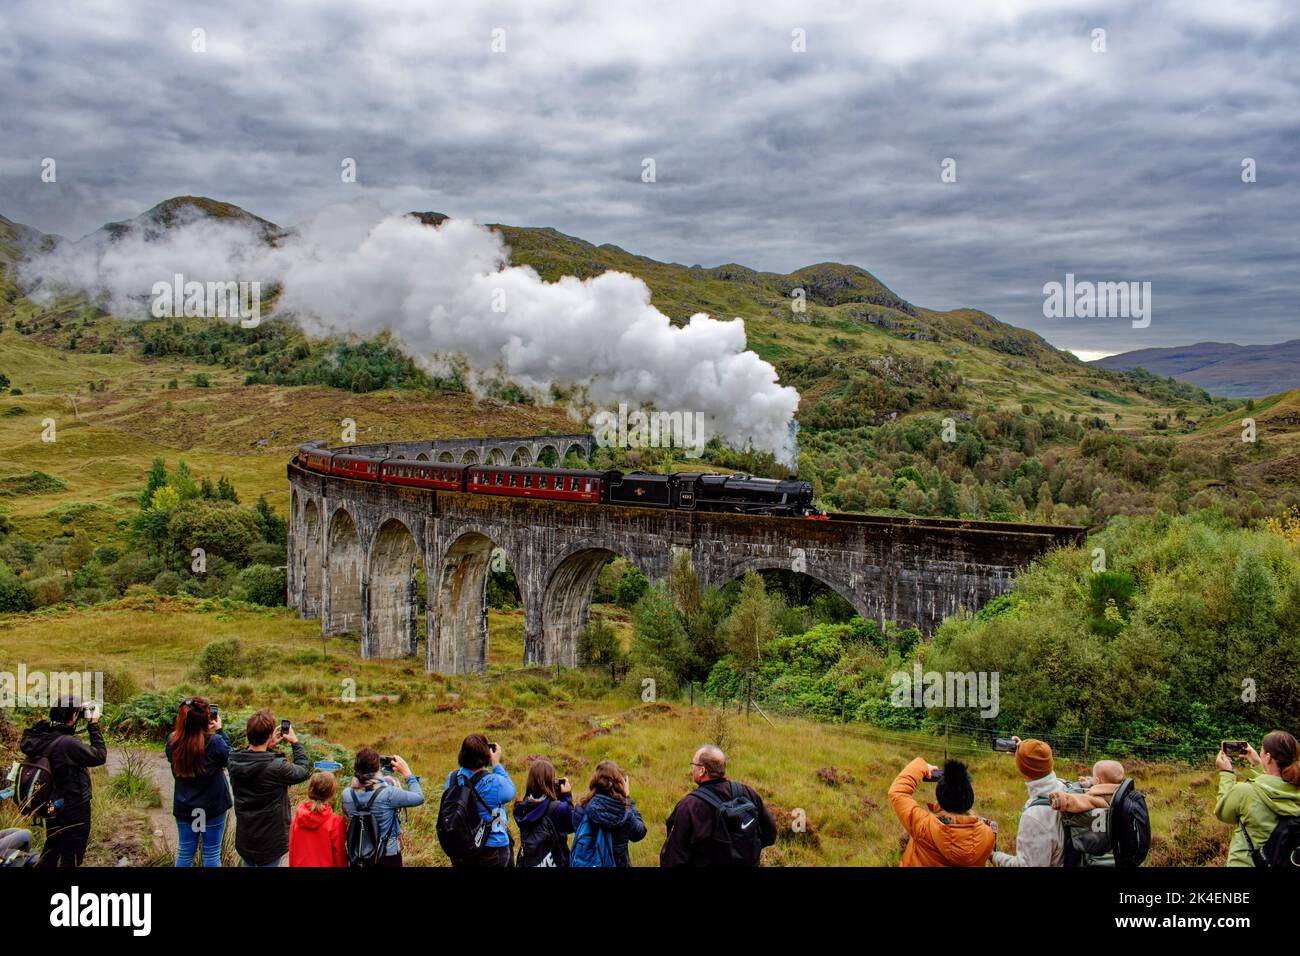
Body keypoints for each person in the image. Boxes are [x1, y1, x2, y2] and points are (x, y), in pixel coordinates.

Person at [20, 696, 107, 867]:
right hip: (74, 806)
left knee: (52, 848)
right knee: (72, 857)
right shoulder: (67, 743)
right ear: (74, 716)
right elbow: (99, 756)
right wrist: (93, 725)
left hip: (52, 804)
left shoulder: (42, 736)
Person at [661, 745, 776, 867]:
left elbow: (673, 859)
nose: (692, 768)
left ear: (702, 771)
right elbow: (770, 833)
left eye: (693, 764)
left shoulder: (688, 807)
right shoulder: (747, 792)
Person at [228, 710, 311, 867]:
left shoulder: (233, 761)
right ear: (269, 736)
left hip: (246, 838)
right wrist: (295, 742)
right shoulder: (276, 767)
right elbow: (303, 771)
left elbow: (251, 757)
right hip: (270, 841)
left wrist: (266, 746)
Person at [888, 757, 996, 867]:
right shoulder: (988, 835)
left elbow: (898, 793)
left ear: (940, 799)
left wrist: (922, 766)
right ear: (970, 799)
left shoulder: (924, 827)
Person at [1214, 730, 1300, 867]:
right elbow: (1276, 784)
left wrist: (1226, 773)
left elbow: (1223, 813)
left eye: (1261, 750)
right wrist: (1259, 764)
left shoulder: (1245, 791)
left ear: (1268, 757)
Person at [165, 696, 232, 867]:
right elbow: (230, 758)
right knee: (211, 853)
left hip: (185, 806)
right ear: (206, 719)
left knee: (185, 851)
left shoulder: (172, 740)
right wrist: (221, 731)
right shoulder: (215, 741)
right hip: (212, 806)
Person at [342, 748, 424, 866]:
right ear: (378, 768)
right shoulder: (389, 793)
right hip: (387, 855)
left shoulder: (346, 794)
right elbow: (419, 797)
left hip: (358, 854)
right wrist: (407, 773)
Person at [443, 734, 516, 867]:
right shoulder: (494, 782)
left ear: (462, 754)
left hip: (462, 846)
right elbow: (511, 791)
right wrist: (496, 764)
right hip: (492, 847)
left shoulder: (452, 778)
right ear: (486, 755)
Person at [991, 737, 1066, 867]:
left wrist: (993, 856)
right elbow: (1039, 765)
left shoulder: (1034, 817)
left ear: (1021, 769)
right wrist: (1026, 752)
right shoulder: (1065, 787)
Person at [571, 759, 646, 867]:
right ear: (620, 784)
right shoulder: (624, 814)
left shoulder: (582, 808)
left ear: (595, 782)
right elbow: (640, 832)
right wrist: (628, 799)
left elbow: (575, 827)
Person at [513, 757, 576, 867]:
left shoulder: (522, 807)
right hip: (556, 860)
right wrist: (567, 796)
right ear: (551, 781)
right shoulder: (560, 808)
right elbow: (572, 826)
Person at [289, 771, 348, 867]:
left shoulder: (298, 817)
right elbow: (339, 855)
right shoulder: (336, 822)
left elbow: (292, 848)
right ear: (332, 794)